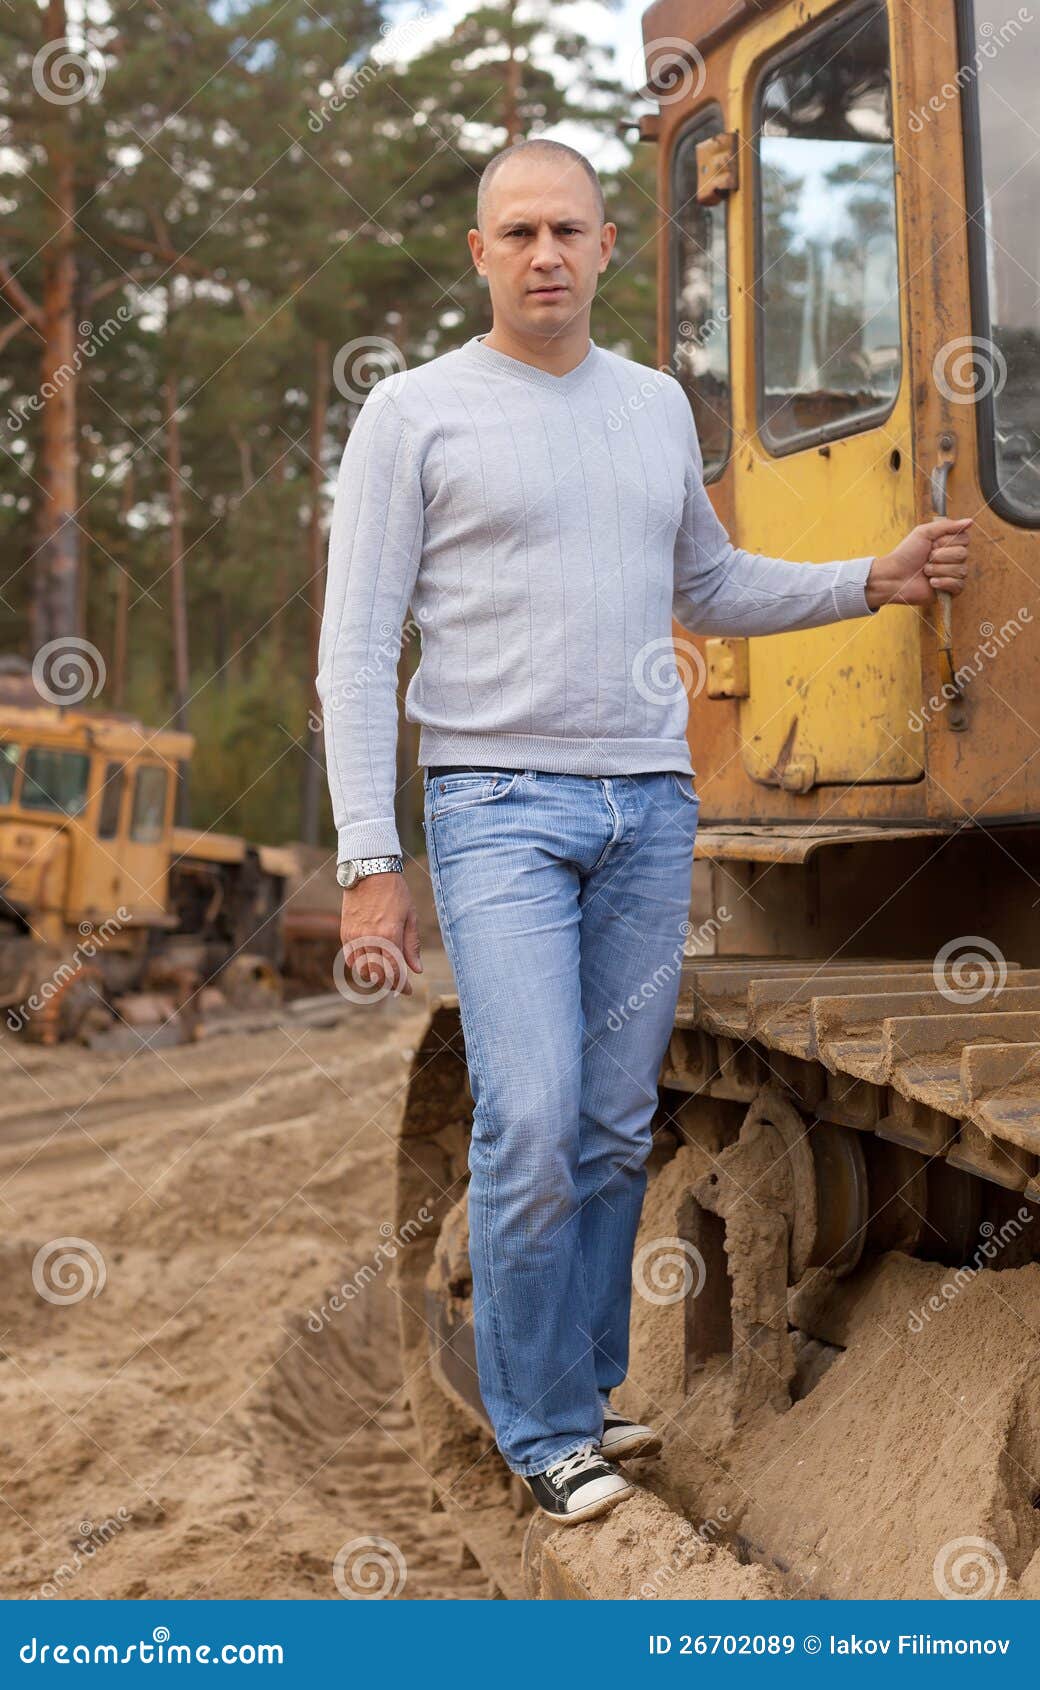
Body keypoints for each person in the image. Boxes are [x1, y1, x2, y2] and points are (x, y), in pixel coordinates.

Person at [315, 139, 970, 1525]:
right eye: (517, 231)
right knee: (535, 1113)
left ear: (609, 245)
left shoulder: (658, 407)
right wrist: (372, 864)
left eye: (568, 227)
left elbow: (714, 582)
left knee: (615, 1124)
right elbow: (357, 644)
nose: (544, 252)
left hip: (648, 805)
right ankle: (540, 1424)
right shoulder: (415, 414)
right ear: (479, 254)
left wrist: (874, 578)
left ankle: (588, 1398)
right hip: (493, 805)